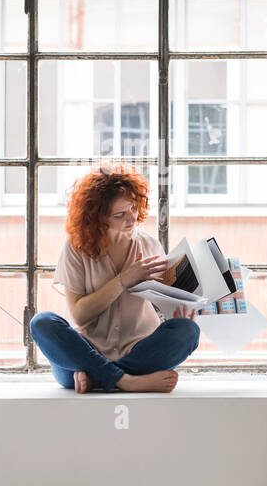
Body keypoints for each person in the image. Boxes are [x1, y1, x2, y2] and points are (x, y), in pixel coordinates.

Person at [30, 166, 201, 393]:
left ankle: (99, 378)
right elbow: (80, 314)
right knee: (41, 323)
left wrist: (180, 309)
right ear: (98, 218)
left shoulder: (149, 246)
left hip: (137, 350)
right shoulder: (76, 248)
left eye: (133, 208)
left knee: (187, 331)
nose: (132, 218)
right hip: (85, 352)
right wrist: (122, 281)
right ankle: (127, 381)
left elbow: (163, 302)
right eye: (120, 215)